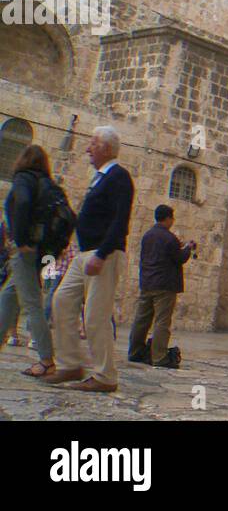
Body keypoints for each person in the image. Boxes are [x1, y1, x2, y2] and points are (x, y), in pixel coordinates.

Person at [45, 128, 134, 392]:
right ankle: (70, 363)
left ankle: (106, 376)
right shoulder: (100, 178)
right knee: (61, 301)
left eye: (93, 144)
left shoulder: (118, 177)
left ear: (106, 148)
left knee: (95, 316)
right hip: (83, 254)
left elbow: (120, 221)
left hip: (102, 254)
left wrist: (102, 253)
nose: (87, 149)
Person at [0, 145, 57, 378]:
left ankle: (46, 360)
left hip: (25, 248)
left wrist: (21, 239)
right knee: (8, 295)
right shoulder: (47, 183)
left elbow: (22, 203)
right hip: (40, 248)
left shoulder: (24, 178)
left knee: (32, 303)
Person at [128, 204, 194, 368]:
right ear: (168, 218)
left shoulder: (147, 236)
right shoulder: (169, 238)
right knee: (162, 321)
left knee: (141, 319)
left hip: (147, 282)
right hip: (164, 285)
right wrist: (188, 248)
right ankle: (159, 356)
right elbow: (179, 258)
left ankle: (135, 351)